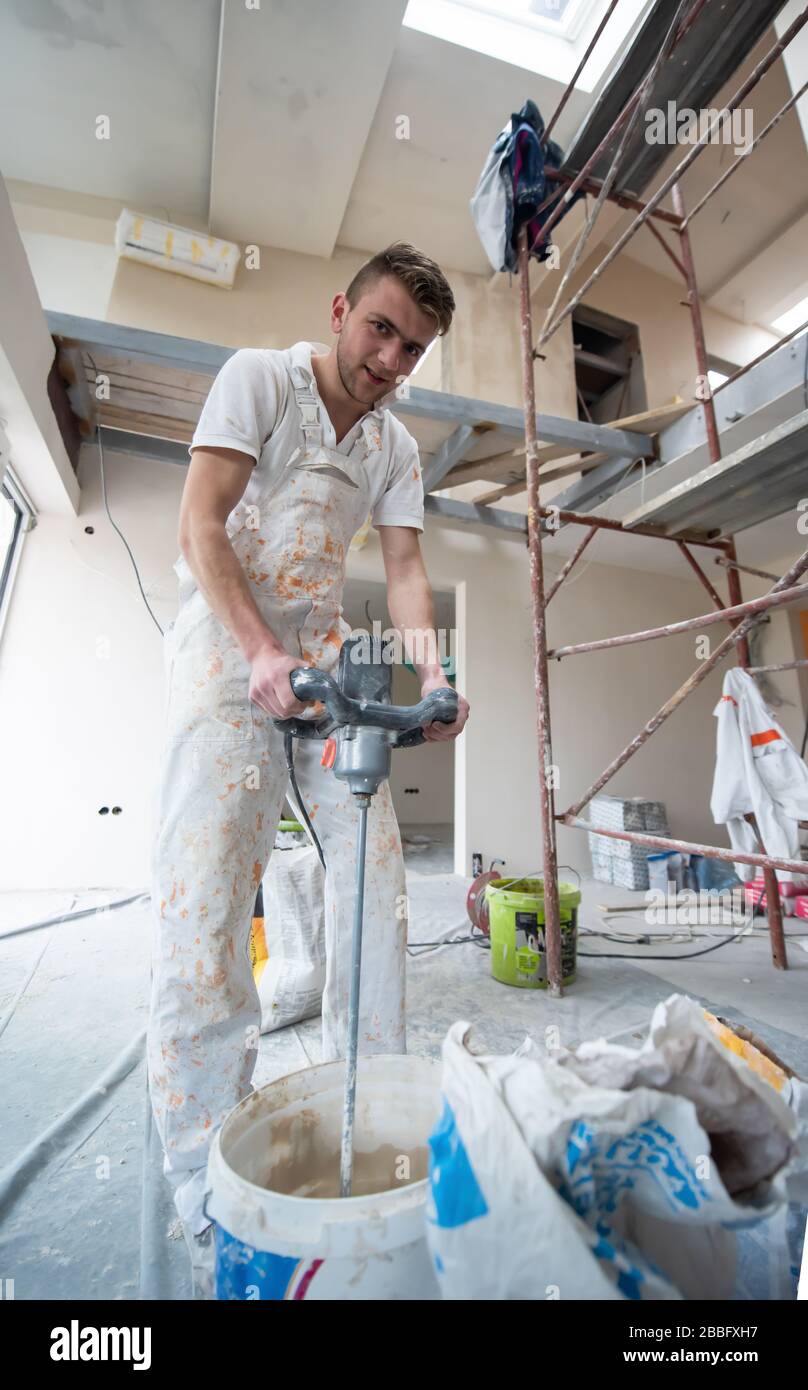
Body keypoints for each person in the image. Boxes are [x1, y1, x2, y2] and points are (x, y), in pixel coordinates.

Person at [147, 242, 470, 1288]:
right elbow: (200, 523)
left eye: (410, 348)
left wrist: (435, 677)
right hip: (226, 653)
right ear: (341, 310)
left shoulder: (391, 444)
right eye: (378, 329)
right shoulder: (261, 380)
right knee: (205, 912)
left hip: (325, 666)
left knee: (377, 890)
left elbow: (409, 567)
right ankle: (202, 1179)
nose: (388, 358)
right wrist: (256, 651)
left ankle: (365, 1121)